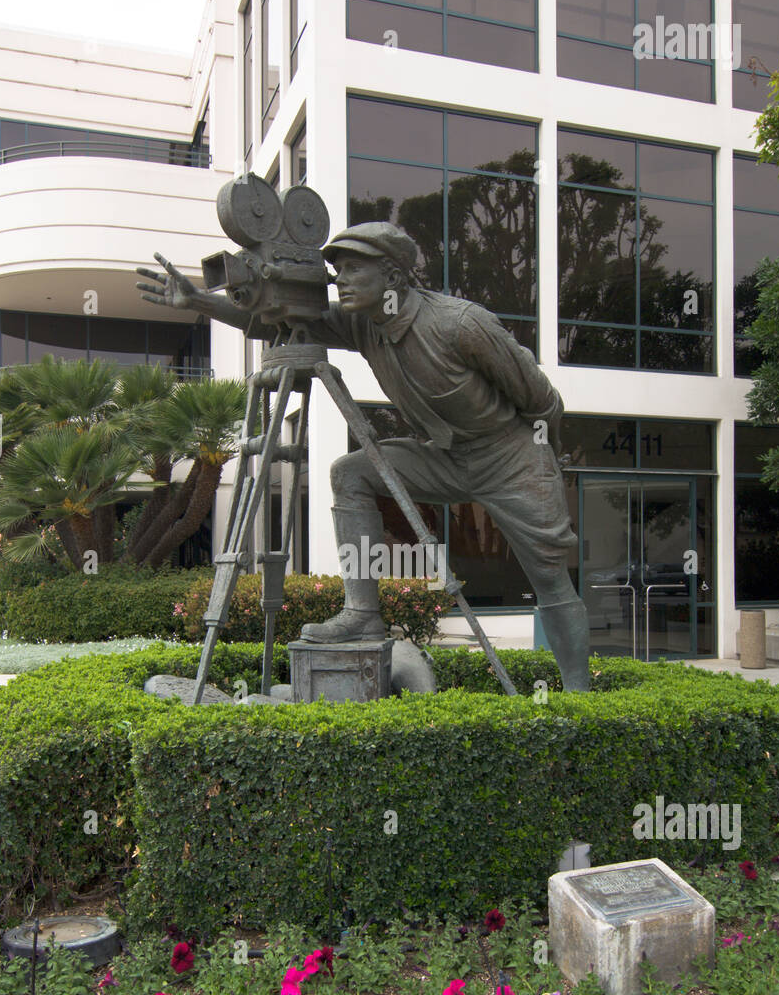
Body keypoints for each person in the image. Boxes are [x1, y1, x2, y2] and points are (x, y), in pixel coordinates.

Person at [137, 222, 590, 690]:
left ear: (393, 277)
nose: (340, 280)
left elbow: (541, 400)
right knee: (351, 473)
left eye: (354, 268)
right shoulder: (363, 323)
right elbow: (280, 320)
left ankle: (579, 697)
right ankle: (362, 614)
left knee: (551, 579)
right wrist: (200, 301)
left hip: (511, 456)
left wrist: (546, 461)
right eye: (337, 269)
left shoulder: (460, 324)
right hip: (445, 457)